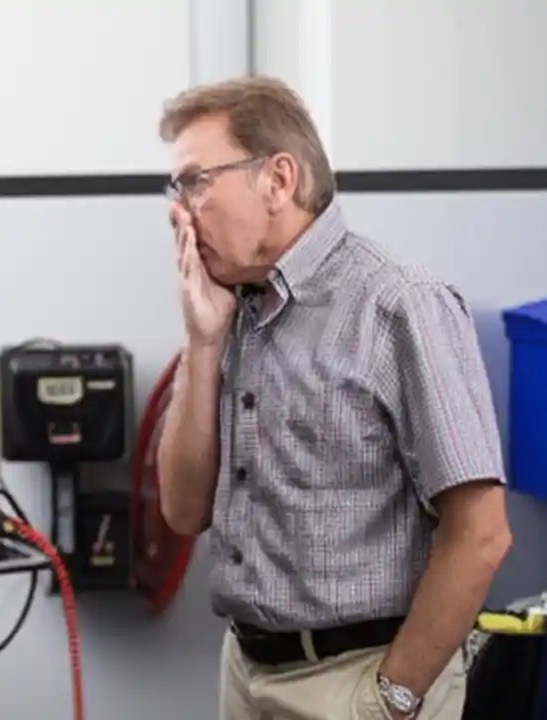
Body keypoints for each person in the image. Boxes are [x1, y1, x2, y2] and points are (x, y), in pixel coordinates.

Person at [154, 75, 512, 720]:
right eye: (174, 190)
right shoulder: (232, 310)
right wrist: (201, 344)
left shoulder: (400, 305)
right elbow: (182, 511)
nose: (179, 213)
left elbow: (481, 534)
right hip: (246, 668)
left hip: (361, 678)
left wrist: (393, 697)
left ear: (277, 180)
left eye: (195, 183)